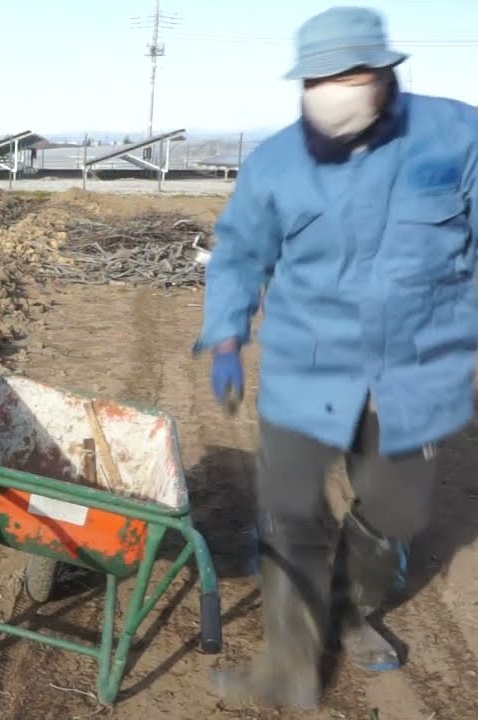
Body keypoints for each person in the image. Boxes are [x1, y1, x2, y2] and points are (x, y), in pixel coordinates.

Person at [193, 5, 478, 709]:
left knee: (396, 510)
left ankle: (353, 609)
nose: (333, 88)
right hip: (306, 365)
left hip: (415, 371)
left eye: (348, 74)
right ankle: (287, 667)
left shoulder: (457, 136)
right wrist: (227, 334)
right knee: (289, 512)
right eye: (318, 77)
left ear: (383, 74)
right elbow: (237, 253)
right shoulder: (277, 162)